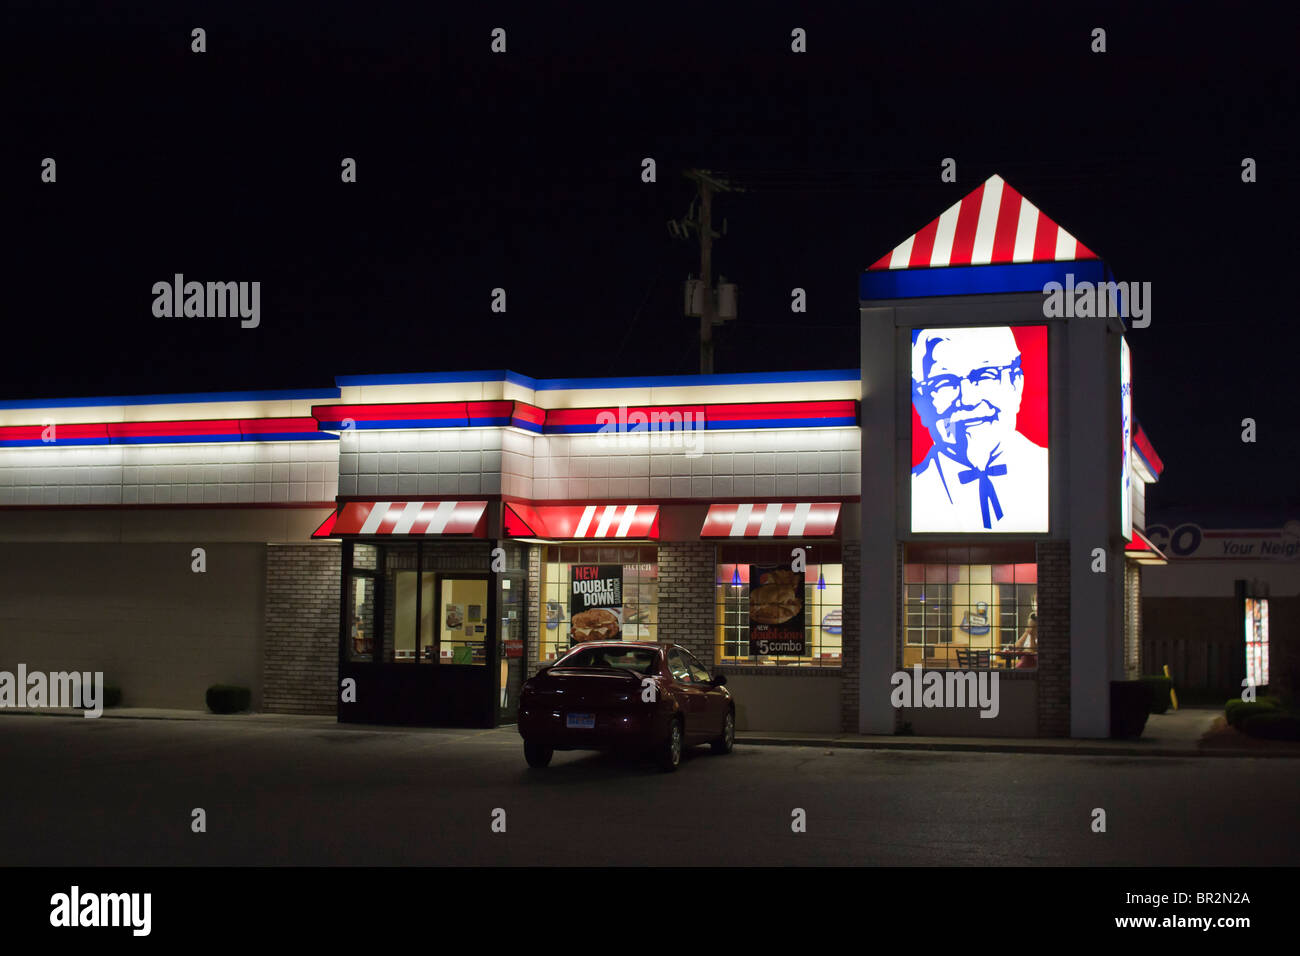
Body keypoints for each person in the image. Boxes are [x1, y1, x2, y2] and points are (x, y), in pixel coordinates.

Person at [910, 326, 1048, 532]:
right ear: (920, 403)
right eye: (944, 383)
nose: (968, 399)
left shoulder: (1053, 476)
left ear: (1016, 384)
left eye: (985, 376)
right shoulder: (913, 492)